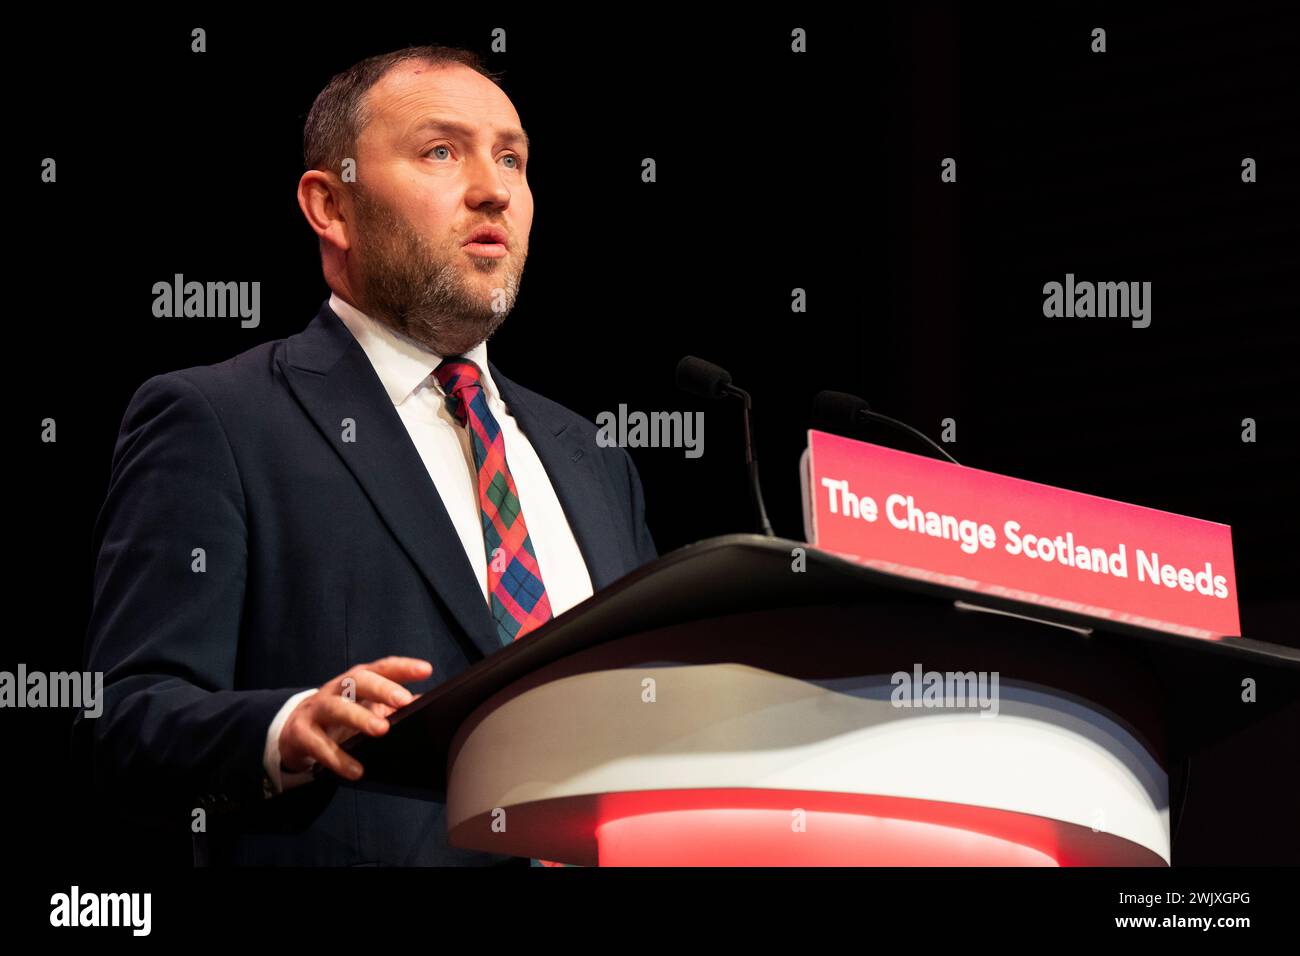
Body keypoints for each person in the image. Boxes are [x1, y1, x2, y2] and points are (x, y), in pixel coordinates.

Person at [78, 44, 657, 865]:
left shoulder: (592, 456)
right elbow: (125, 721)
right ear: (330, 205)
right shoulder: (219, 420)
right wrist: (288, 726)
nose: (494, 188)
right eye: (441, 151)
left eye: (513, 158)